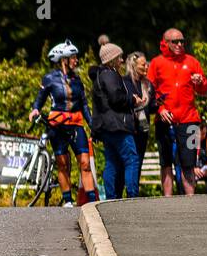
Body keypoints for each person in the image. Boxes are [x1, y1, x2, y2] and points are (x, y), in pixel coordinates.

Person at [28, 39, 98, 207]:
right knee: (63, 164)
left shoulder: (78, 80)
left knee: (85, 163)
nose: (76, 60)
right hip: (57, 126)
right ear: (63, 60)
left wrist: (93, 126)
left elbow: (85, 106)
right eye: (73, 57)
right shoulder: (49, 79)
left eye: (76, 57)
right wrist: (35, 109)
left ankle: (92, 202)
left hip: (76, 125)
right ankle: (68, 200)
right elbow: (39, 100)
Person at [147, 28, 207, 196]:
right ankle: (168, 200)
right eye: (175, 41)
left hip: (190, 121)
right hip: (164, 121)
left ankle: (191, 199)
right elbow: (148, 92)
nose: (180, 44)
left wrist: (200, 81)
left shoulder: (192, 61)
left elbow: (205, 89)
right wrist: (160, 109)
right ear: (165, 43)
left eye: (182, 41)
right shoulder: (156, 63)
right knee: (166, 162)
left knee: (189, 162)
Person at [88, 41, 143, 199]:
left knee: (111, 162)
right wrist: (132, 99)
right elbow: (116, 98)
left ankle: (111, 197)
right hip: (117, 125)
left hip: (106, 127)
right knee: (131, 159)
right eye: (119, 57)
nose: (121, 60)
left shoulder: (100, 76)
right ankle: (132, 195)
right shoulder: (110, 74)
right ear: (112, 59)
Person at [124, 51, 155, 194]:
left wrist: (159, 105)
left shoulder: (148, 84)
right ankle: (130, 192)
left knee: (139, 160)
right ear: (134, 65)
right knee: (131, 160)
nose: (146, 67)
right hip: (129, 127)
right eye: (143, 65)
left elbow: (152, 105)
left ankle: (133, 190)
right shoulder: (125, 82)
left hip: (143, 126)